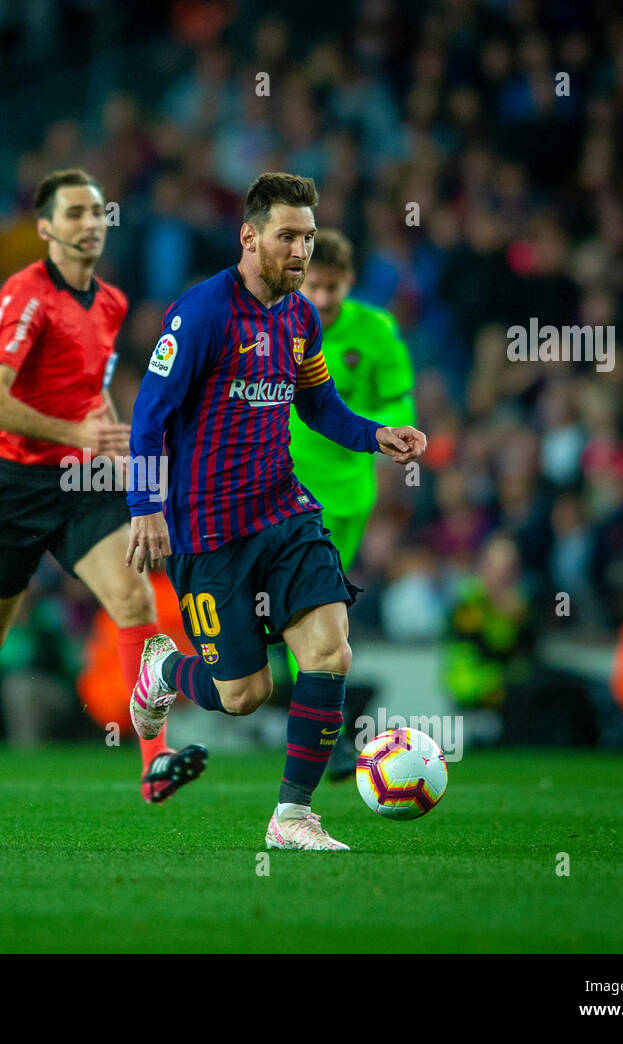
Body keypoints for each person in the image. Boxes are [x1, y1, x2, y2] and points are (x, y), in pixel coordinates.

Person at [123, 172, 427, 850]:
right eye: (287, 236)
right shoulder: (200, 314)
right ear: (249, 236)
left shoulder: (299, 317)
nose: (300, 251)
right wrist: (145, 508)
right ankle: (165, 671)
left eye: (309, 238)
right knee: (244, 694)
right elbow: (148, 418)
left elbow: (318, 406)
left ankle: (292, 816)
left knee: (331, 651)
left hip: (285, 513)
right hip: (208, 530)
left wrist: (375, 434)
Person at [0, 168, 207, 803]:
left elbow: (102, 410)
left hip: (80, 482)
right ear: (45, 229)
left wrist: (142, 495)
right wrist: (76, 435)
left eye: (96, 212)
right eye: (74, 214)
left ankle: (153, 760)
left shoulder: (111, 304)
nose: (89, 224)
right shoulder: (26, 295)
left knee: (135, 600)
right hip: (14, 484)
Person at [285, 230, 416, 779]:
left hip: (348, 494)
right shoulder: (283, 320)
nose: (321, 296)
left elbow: (397, 403)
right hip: (286, 483)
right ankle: (329, 723)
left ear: (350, 282)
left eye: (331, 287)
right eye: (313, 284)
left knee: (313, 606)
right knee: (304, 605)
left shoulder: (378, 331)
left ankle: (324, 721)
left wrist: (398, 444)